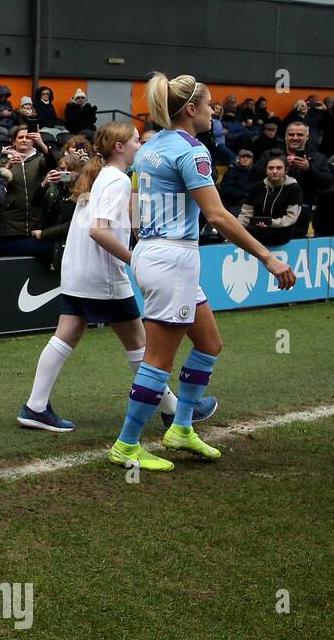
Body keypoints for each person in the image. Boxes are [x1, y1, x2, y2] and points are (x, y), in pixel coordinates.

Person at [108, 73, 295, 472]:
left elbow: (133, 208)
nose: (215, 113)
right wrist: (268, 257)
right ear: (191, 110)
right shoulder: (192, 152)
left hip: (155, 254)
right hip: (173, 259)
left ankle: (182, 427)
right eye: (210, 106)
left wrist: (148, 244)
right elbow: (217, 215)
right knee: (158, 361)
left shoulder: (149, 146)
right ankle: (126, 444)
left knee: (209, 343)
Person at [18, 122, 209, 433]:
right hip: (102, 277)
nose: (141, 145)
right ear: (119, 147)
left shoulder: (100, 175)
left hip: (78, 272)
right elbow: (98, 230)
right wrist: (135, 260)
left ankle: (35, 407)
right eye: (136, 140)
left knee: (67, 334)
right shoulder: (116, 180)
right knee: (139, 342)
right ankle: (172, 408)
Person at [0, 124, 54, 259]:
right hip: (10, 227)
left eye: (28, 137)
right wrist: (8, 166)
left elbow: (53, 166)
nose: (24, 140)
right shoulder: (2, 161)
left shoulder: (40, 159)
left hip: (37, 224)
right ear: (13, 141)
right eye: (20, 137)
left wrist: (42, 144)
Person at [239, 154, 303, 246]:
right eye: (271, 168)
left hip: (282, 231)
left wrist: (271, 223)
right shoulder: (256, 187)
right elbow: (246, 213)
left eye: (279, 168)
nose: (274, 171)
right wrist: (237, 229)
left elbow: (291, 218)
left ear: (286, 170)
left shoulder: (294, 188)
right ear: (266, 170)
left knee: (250, 233)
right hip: (257, 228)